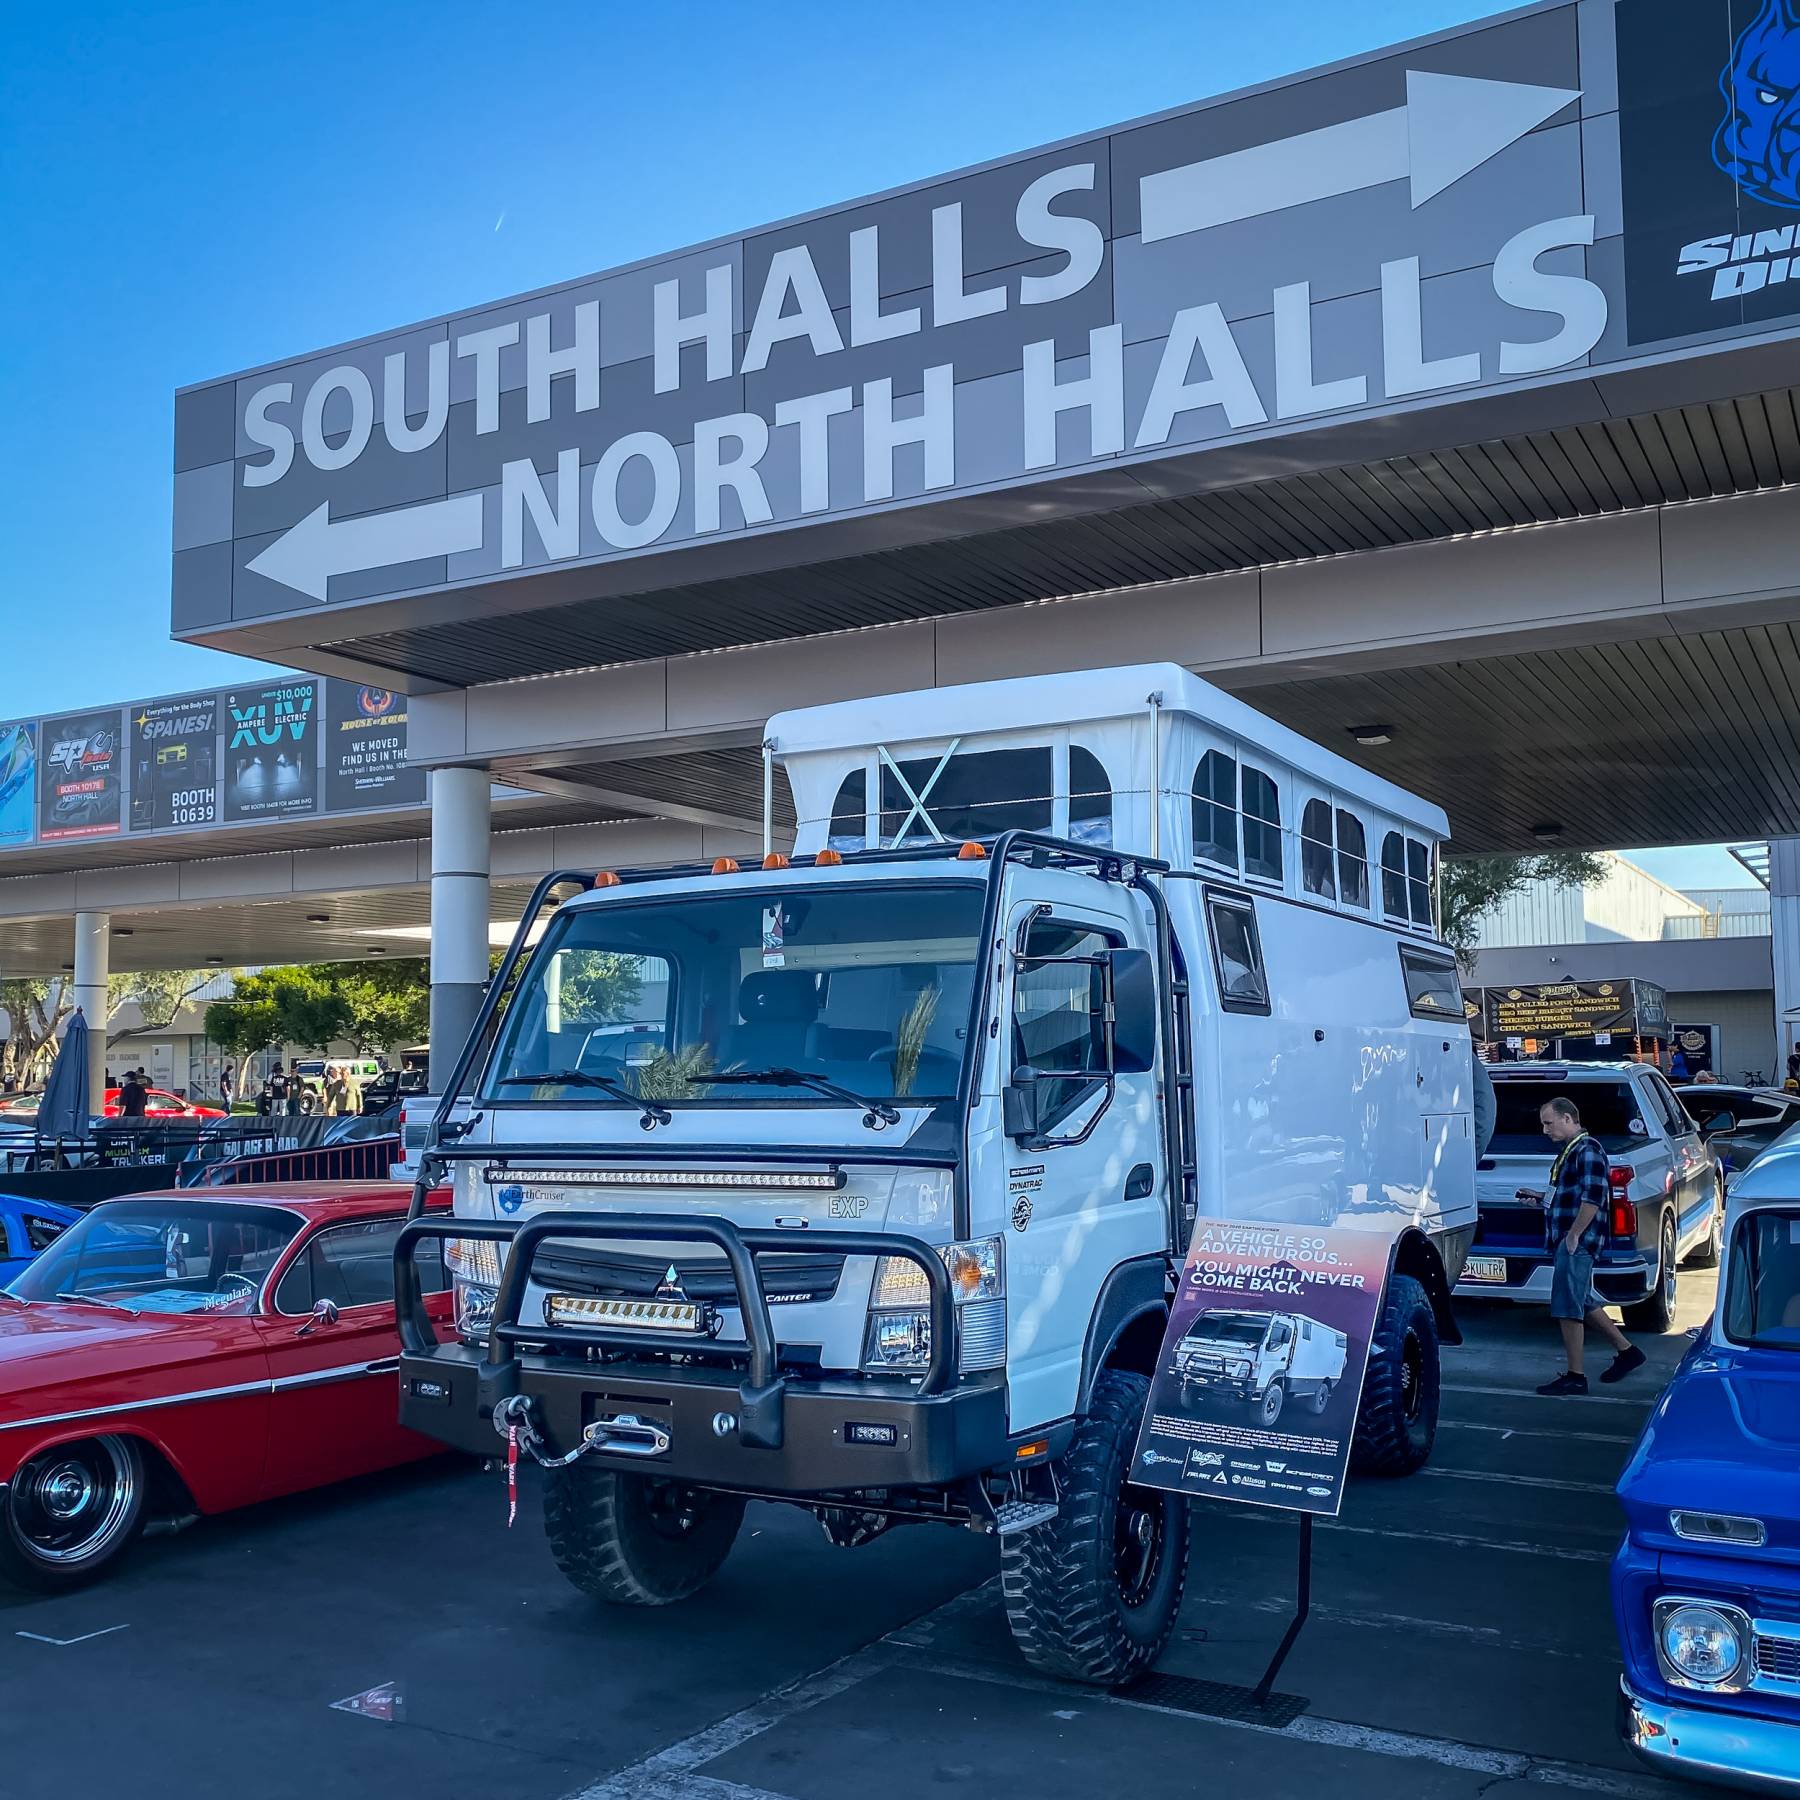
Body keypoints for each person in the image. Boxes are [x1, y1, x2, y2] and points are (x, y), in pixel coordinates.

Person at [1525, 1097, 1646, 1396]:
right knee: (1582, 1300)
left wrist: (1574, 1235)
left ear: (1568, 1118)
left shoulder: (1588, 1150)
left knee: (1568, 1306)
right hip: (1569, 1238)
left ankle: (1575, 1376)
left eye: (1549, 1123)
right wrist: (1540, 1198)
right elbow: (1570, 1194)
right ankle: (1627, 1351)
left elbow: (1593, 1197)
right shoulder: (1572, 1151)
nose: (1545, 1130)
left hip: (1576, 1241)